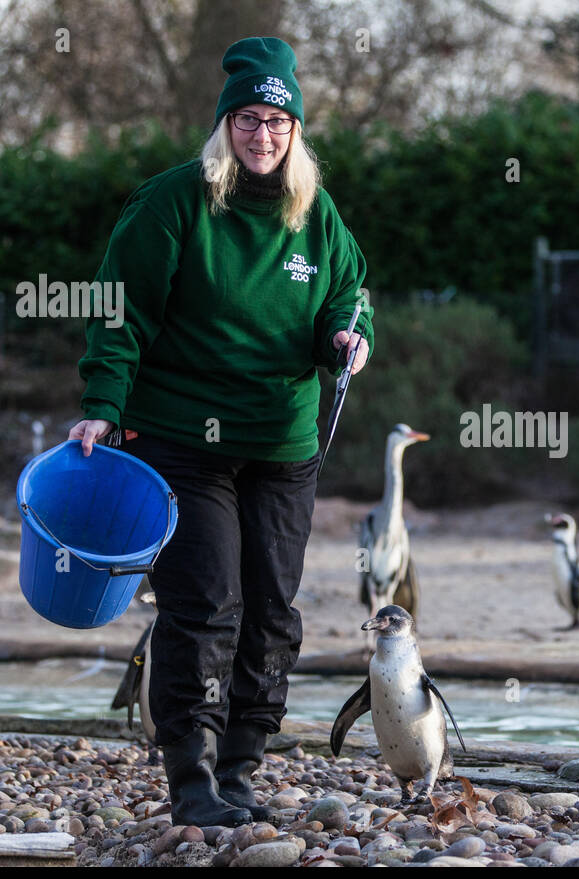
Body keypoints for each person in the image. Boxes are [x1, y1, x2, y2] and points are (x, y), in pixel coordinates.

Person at [69, 36, 373, 827]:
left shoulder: (317, 213)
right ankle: (192, 774)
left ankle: (241, 765)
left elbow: (349, 293)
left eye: (278, 121)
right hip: (180, 441)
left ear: (296, 130)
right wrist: (105, 398)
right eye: (247, 119)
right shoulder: (173, 202)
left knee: (273, 611)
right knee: (206, 605)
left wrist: (345, 334)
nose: (263, 135)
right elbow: (118, 310)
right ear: (224, 125)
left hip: (283, 442)